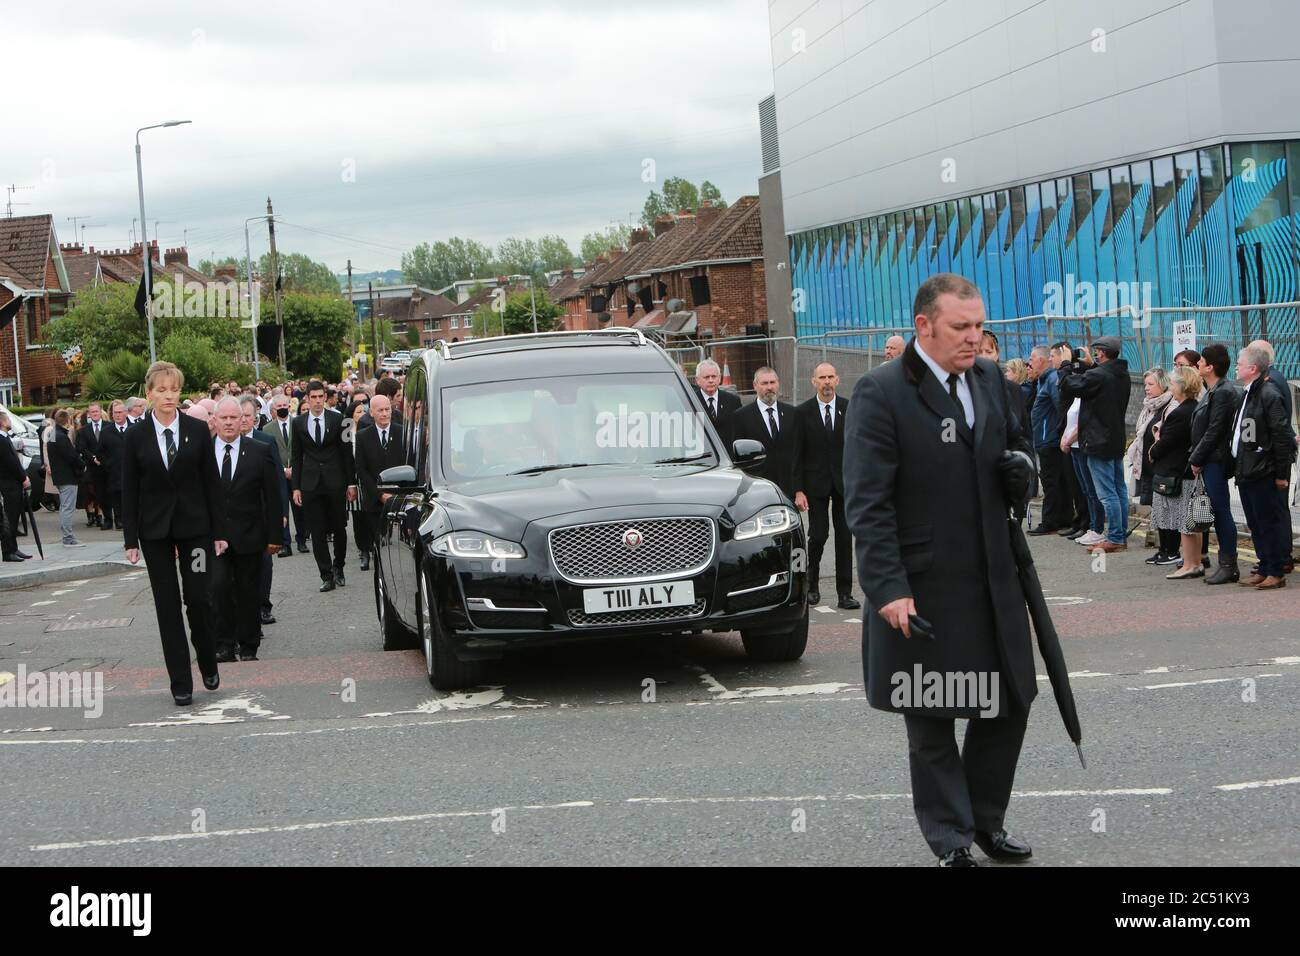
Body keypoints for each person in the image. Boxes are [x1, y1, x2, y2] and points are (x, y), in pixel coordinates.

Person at [844, 272, 1038, 867]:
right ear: (923, 326)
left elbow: (1015, 451)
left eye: (980, 326)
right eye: (962, 327)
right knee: (931, 717)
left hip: (991, 578)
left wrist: (1021, 470)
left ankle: (984, 821)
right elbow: (866, 503)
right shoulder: (881, 391)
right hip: (922, 588)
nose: (975, 338)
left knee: (1008, 702)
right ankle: (951, 839)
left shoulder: (989, 380)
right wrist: (888, 590)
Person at [121, 361, 225, 706]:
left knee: (198, 597)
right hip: (155, 533)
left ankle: (207, 657)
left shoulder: (196, 430)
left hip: (195, 530)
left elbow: (212, 483)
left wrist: (219, 531)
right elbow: (129, 489)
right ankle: (180, 681)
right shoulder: (135, 435)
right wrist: (130, 539)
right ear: (149, 393)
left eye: (175, 389)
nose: (169, 396)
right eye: (162, 390)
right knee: (167, 606)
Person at [209, 398, 282, 663]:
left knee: (248, 592)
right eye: (223, 418)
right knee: (218, 589)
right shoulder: (203, 452)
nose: (228, 423)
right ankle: (223, 645)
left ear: (243, 420)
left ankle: (249, 645)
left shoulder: (259, 451)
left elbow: (273, 496)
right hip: (214, 537)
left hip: (250, 536)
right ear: (215, 420)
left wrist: (276, 536)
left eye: (233, 418)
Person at [793, 362, 858, 609]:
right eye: (823, 378)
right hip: (815, 484)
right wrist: (798, 489)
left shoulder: (849, 408)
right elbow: (796, 454)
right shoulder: (803, 413)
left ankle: (845, 593)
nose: (827, 382)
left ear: (838, 380)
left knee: (844, 538)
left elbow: (856, 449)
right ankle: (812, 586)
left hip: (844, 485)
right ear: (814, 382)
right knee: (818, 536)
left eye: (831, 377)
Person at [1231, 345, 1296, 589]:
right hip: (1247, 469)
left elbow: (1281, 437)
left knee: (1268, 521)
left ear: (1253, 368)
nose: (1236, 365)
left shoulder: (1269, 394)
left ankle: (1276, 571)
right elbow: (1245, 433)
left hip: (1263, 471)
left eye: (1240, 362)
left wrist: (1281, 474)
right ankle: (1264, 565)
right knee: (1255, 522)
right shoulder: (1247, 393)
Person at [1060, 336, 1131, 553]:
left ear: (1102, 352)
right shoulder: (1121, 374)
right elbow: (1096, 381)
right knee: (1119, 490)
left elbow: (1068, 385)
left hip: (1098, 440)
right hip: (1115, 438)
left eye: (1097, 351)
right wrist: (1090, 366)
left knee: (1106, 493)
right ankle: (1120, 534)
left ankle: (1116, 537)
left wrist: (1066, 364)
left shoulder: (1098, 375)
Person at [292, 379, 357, 592]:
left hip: (335, 482)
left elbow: (347, 454)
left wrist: (351, 483)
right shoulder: (298, 423)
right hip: (310, 484)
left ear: (325, 398)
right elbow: (296, 456)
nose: (318, 401)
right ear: (307, 399)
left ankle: (339, 567)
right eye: (314, 398)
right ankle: (326, 574)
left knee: (339, 527)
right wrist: (296, 487)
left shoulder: (340, 419)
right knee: (317, 531)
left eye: (321, 397)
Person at [1189, 344, 1243, 584]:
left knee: (1221, 512)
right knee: (1218, 511)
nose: (1198, 364)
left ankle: (1228, 564)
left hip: (1216, 459)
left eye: (1200, 361)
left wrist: (1196, 458)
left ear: (1210, 367)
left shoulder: (1222, 392)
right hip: (1210, 458)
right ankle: (1226, 563)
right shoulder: (1213, 390)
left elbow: (1215, 431)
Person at [1147, 366, 1204, 579]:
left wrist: (1154, 447)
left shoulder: (1181, 412)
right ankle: (1195, 562)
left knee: (1185, 522)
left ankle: (1190, 564)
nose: (1170, 387)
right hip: (1187, 471)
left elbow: (1167, 442)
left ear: (1181, 386)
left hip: (1178, 472)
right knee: (1191, 522)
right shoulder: (1193, 407)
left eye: (1172, 383)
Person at [240, 396, 288, 628]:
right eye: (240, 416)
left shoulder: (265, 441)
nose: (243, 421)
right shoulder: (220, 443)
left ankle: (263, 606)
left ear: (255, 418)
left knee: (264, 564)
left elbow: (278, 479)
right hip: (238, 517)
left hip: (264, 513)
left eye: (248, 416)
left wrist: (281, 513)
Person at [1126, 368, 1176, 565]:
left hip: (1161, 466)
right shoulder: (1149, 407)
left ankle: (1171, 550)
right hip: (1147, 465)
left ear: (1163, 384)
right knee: (1156, 510)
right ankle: (1162, 549)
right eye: (1145, 384)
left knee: (1166, 511)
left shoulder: (1169, 406)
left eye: (1151, 384)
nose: (1146, 388)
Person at [353, 394, 405, 573]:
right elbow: (361, 470)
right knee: (377, 538)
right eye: (380, 410)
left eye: (387, 409)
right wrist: (379, 494)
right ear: (372, 413)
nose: (384, 414)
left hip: (398, 496)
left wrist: (397, 494)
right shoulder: (362, 436)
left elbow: (408, 465)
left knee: (392, 540)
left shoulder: (402, 433)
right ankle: (380, 568)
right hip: (374, 497)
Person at [731, 366, 800, 501]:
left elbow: (798, 452)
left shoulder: (792, 413)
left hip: (788, 488)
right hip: (758, 488)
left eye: (772, 382)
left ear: (778, 384)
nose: (769, 387)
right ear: (755, 385)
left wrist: (799, 489)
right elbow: (738, 457)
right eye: (764, 383)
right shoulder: (741, 416)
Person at [1028, 346, 1071, 535]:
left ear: (1042, 360)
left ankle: (1051, 521)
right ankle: (1062, 518)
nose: (1030, 362)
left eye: (1032, 358)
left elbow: (1060, 406)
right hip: (1046, 439)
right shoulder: (1043, 381)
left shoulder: (1052, 379)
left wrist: (1059, 434)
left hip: (1049, 440)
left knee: (1051, 482)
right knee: (1055, 481)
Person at [263, 392, 307, 555]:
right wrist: (283, 470)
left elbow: (303, 449)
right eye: (278, 407)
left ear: (289, 406)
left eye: (284, 406)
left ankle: (302, 540)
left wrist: (295, 468)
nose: (282, 409)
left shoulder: (298, 424)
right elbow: (267, 453)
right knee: (282, 510)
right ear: (273, 409)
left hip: (297, 473)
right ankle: (285, 544)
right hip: (278, 474)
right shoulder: (267, 429)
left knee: (299, 508)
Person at [47, 409, 85, 548]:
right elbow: (71, 456)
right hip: (67, 477)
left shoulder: (53, 434)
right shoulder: (61, 437)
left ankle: (67, 536)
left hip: (60, 476)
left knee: (65, 507)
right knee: (67, 507)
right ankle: (68, 538)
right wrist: (82, 465)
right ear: (67, 420)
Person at [0, 411, 32, 561]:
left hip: (13, 483)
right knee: (10, 518)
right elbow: (11, 463)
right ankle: (8, 551)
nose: (10, 422)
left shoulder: (5, 438)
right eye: (7, 419)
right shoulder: (1, 439)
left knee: (14, 516)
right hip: (9, 483)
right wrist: (23, 477)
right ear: (2, 422)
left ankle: (14, 548)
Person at [74, 403, 110, 529]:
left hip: (107, 466)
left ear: (101, 412)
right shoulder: (83, 431)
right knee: (95, 493)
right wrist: (93, 458)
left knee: (110, 493)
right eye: (92, 412)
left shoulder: (109, 427)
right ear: (89, 414)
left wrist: (104, 459)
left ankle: (114, 518)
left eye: (96, 411)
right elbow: (81, 448)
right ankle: (101, 518)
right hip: (91, 467)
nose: (94, 414)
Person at [692, 359, 741, 449]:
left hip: (728, 455)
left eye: (714, 376)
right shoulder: (691, 401)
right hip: (702, 455)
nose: (711, 380)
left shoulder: (733, 401)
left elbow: (739, 432)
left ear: (719, 379)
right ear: (697, 380)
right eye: (706, 377)